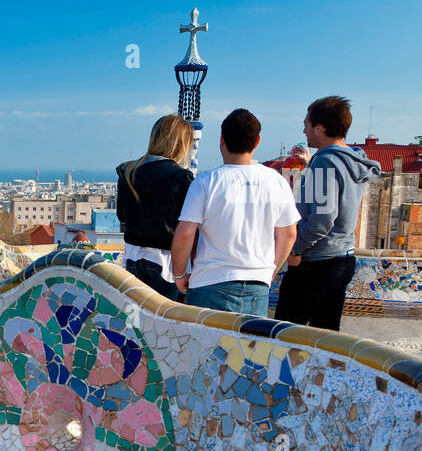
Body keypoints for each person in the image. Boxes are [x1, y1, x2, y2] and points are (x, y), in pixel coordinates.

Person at [171, 109, 300, 316]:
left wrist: (179, 275)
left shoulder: (205, 182)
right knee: (250, 347)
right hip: (258, 285)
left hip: (209, 283)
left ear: (222, 139)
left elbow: (185, 233)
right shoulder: (276, 181)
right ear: (257, 142)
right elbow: (289, 234)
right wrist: (269, 271)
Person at [275, 96, 380, 331]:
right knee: (326, 337)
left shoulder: (325, 162)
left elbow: (323, 218)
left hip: (317, 263)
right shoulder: (351, 159)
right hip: (342, 257)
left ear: (320, 127)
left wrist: (295, 249)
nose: (304, 130)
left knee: (284, 335)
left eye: (307, 124)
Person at [116, 114, 196, 302]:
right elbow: (187, 227)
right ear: (181, 144)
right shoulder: (180, 177)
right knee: (164, 322)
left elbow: (121, 216)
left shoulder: (128, 172)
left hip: (133, 257)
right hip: (166, 262)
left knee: (135, 317)